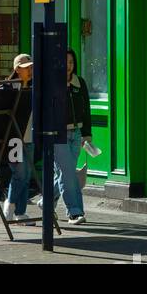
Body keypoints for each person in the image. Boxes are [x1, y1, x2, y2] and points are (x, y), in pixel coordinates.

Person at [53, 48, 94, 225]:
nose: (68, 66)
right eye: (65, 62)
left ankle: (45, 202)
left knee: (65, 173)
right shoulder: (53, 84)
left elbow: (86, 110)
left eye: (71, 62)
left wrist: (87, 134)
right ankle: (75, 212)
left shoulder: (80, 83)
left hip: (76, 134)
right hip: (58, 134)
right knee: (68, 173)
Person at [1, 53, 34, 223]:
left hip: (29, 136)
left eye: (31, 67)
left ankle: (21, 212)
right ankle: (10, 202)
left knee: (27, 175)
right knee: (19, 173)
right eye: (26, 68)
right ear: (17, 70)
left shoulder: (34, 88)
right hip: (13, 138)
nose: (30, 70)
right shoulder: (7, 89)